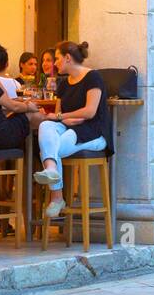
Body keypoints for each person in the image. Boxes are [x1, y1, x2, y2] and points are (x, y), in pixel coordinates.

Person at [32, 41, 110, 218]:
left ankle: (57, 196)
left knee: (54, 146)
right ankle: (51, 169)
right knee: (45, 125)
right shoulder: (63, 84)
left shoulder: (93, 77)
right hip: (71, 126)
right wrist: (65, 118)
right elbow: (61, 112)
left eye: (57, 59)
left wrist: (63, 117)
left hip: (93, 131)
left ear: (68, 58)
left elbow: (90, 112)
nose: (55, 63)